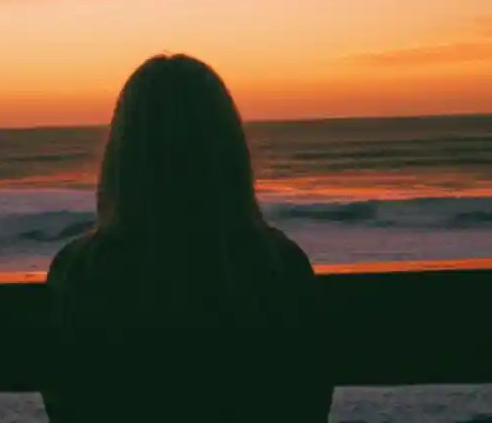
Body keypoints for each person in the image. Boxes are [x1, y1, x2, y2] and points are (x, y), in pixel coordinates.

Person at [41, 54, 332, 422]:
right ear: (230, 151)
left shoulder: (82, 270)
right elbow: (309, 401)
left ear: (121, 154)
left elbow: (68, 404)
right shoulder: (278, 266)